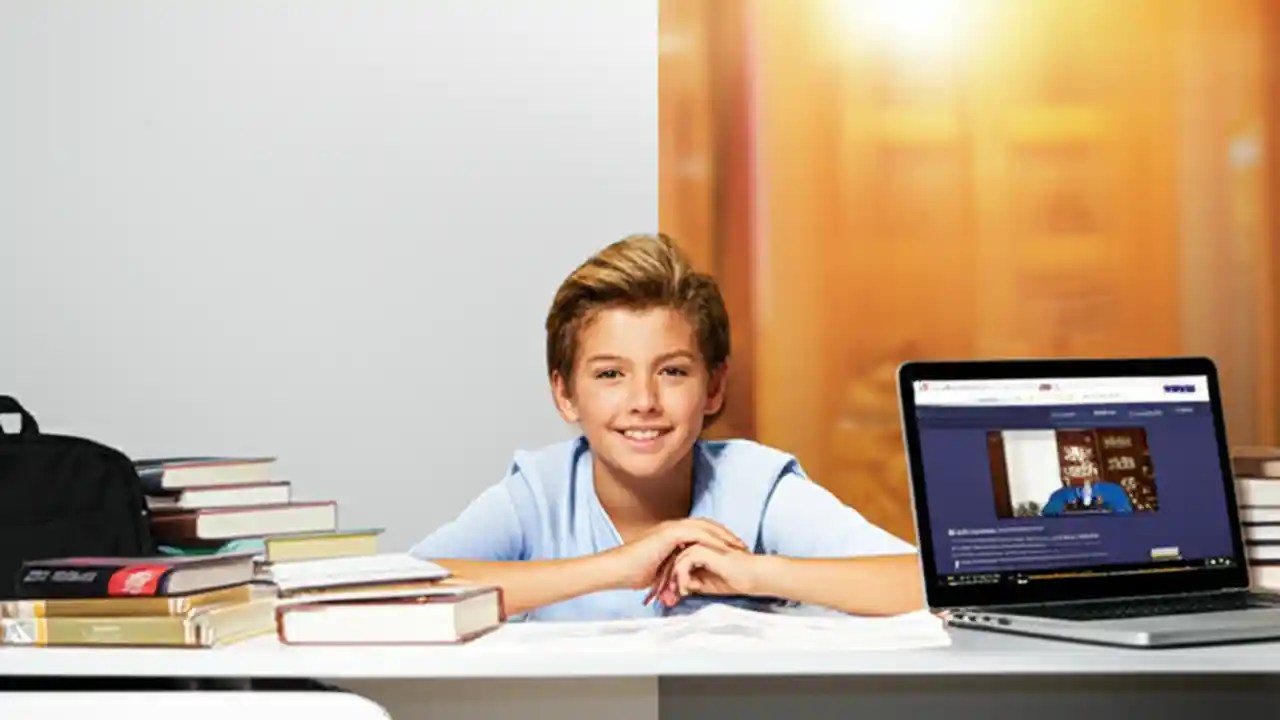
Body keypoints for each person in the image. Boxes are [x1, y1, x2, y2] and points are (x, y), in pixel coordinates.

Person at [410, 233, 923, 621]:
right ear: (565, 394)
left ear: (714, 388)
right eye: (611, 374)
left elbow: (928, 585)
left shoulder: (755, 487)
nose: (644, 402)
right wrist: (617, 566)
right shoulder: (537, 496)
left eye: (672, 372)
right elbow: (400, 593)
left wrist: (758, 573)